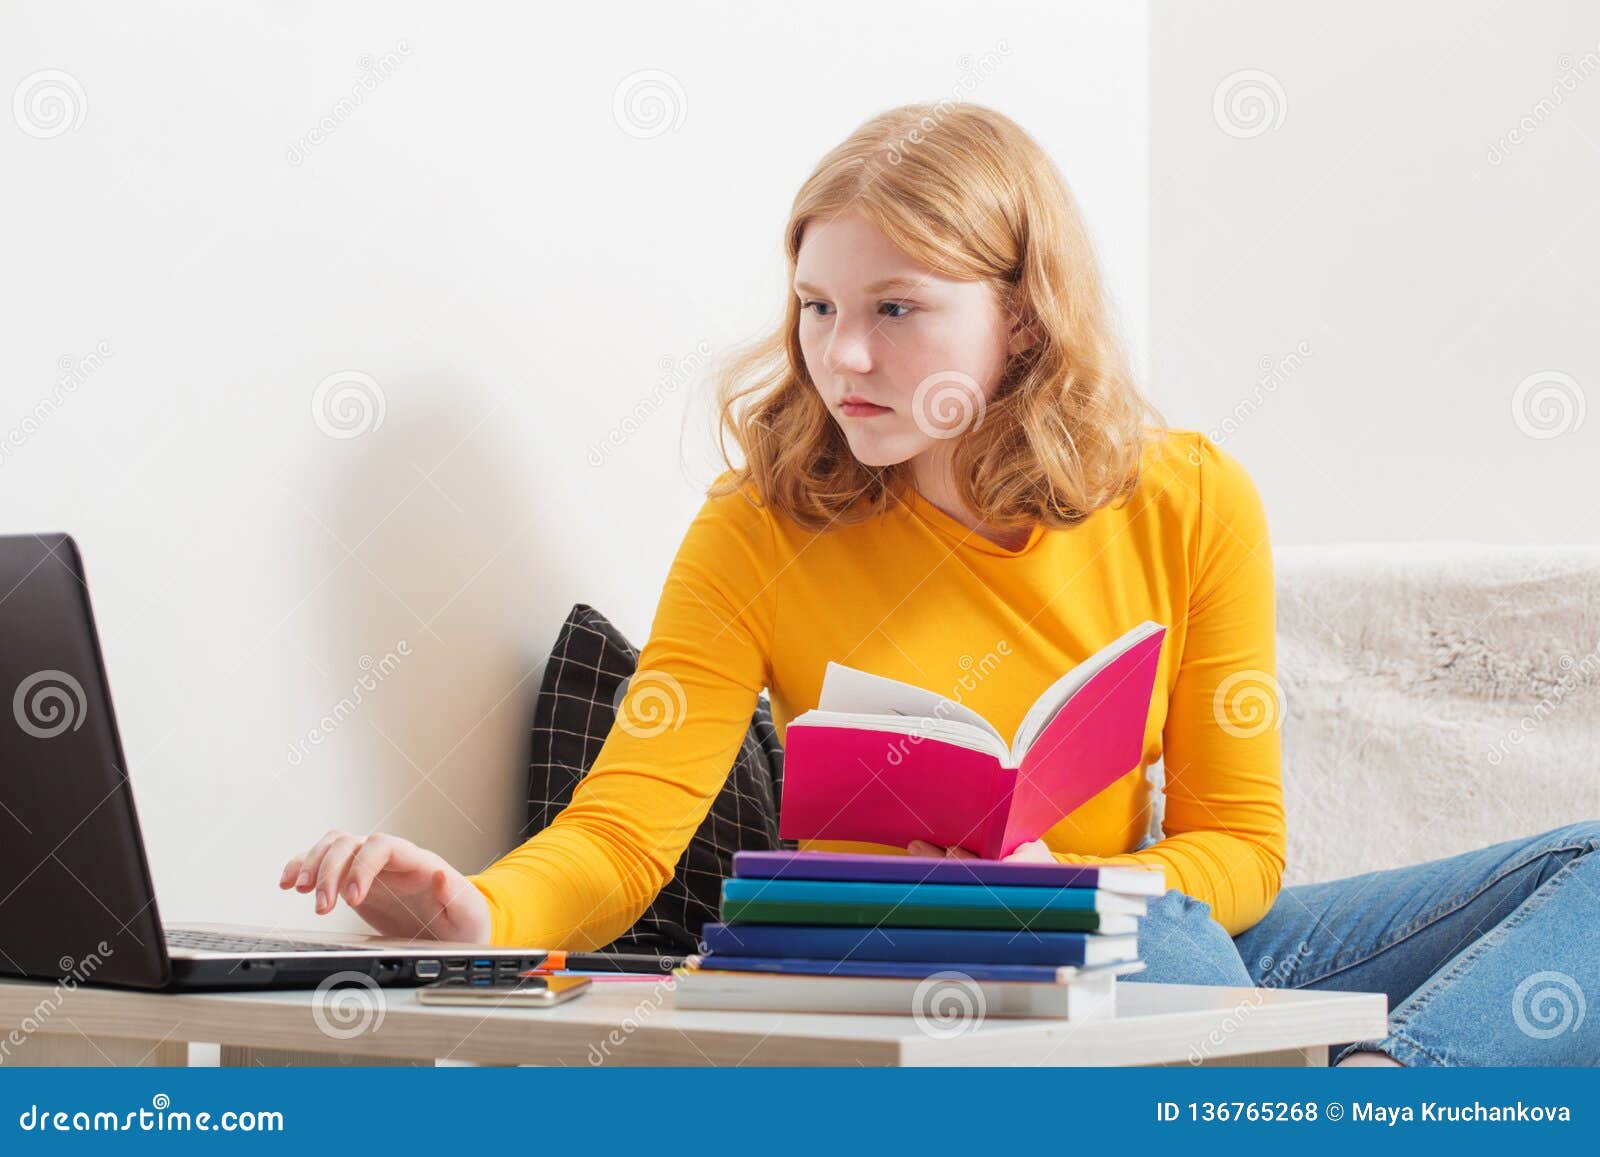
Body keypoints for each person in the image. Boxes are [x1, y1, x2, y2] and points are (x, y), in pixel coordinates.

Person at [279, 102, 1599, 1066]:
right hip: (905, 956)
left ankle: (1376, 1099)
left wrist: (1073, 884)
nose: (841, 354)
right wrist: (480, 912)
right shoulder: (759, 527)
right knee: (1166, 963)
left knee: (1575, 869)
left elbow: (1241, 848)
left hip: (1137, 938)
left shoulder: (1189, 497)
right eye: (814, 307)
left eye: (897, 309)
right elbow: (629, 832)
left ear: (1018, 316)